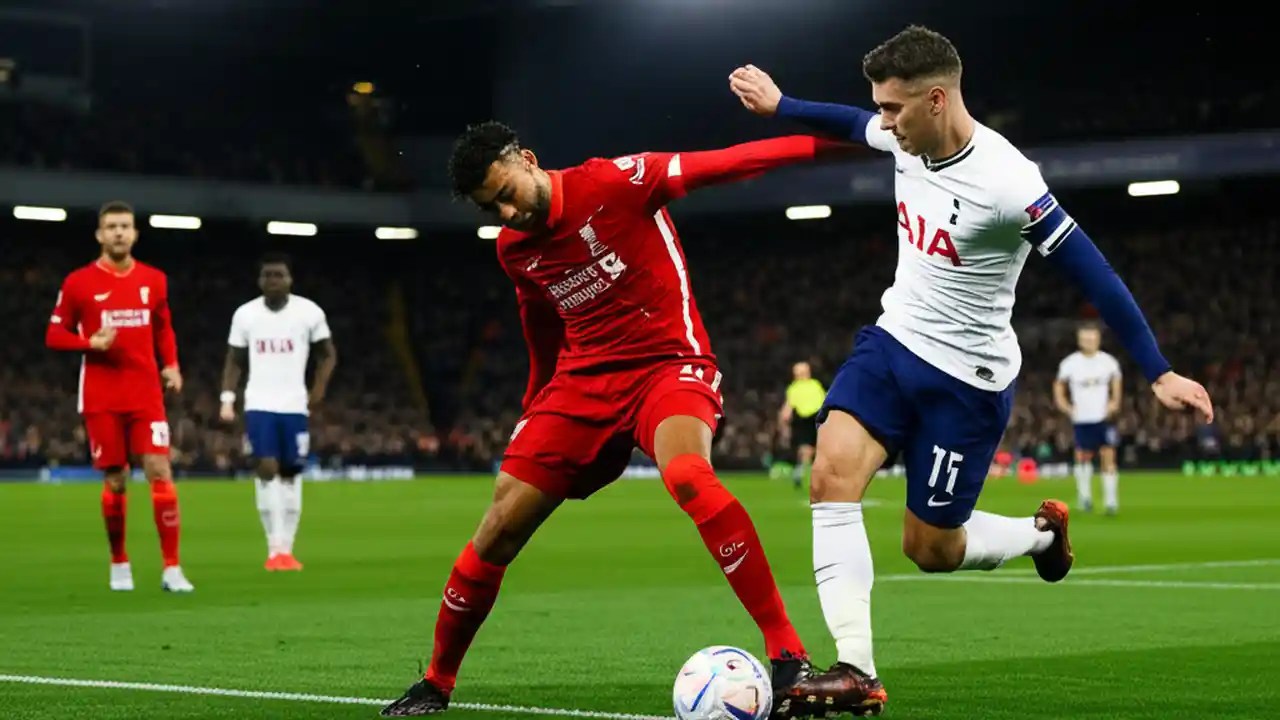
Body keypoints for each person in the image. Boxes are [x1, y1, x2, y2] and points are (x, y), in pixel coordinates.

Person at [729, 25, 1214, 717]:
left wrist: (1157, 370)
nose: (883, 123)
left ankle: (1040, 535)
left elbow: (1094, 271)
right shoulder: (902, 137)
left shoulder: (1009, 182)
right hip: (894, 343)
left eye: (893, 109)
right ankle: (855, 672)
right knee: (829, 477)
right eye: (880, 108)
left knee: (930, 549)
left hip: (968, 381)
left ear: (936, 99)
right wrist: (782, 105)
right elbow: (845, 124)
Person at [381, 121, 854, 716]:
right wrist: (536, 404)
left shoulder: (616, 181)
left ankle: (786, 654)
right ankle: (436, 681)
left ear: (529, 159)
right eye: (490, 207)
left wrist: (858, 140)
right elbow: (541, 326)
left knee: (687, 475)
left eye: (507, 192)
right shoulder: (512, 248)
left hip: (667, 365)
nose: (506, 211)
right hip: (582, 384)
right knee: (499, 524)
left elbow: (734, 160)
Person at [45, 200, 195, 593]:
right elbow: (54, 335)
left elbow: (164, 328)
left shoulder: (154, 280)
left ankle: (172, 568)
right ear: (99, 234)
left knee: (160, 471)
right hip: (102, 395)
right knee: (115, 480)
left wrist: (172, 364)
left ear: (135, 233)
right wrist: (88, 342)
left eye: (125, 226)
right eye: (111, 226)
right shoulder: (78, 283)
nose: (118, 233)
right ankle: (119, 563)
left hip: (146, 394)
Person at [220, 253, 337, 570]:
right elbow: (234, 359)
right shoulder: (246, 315)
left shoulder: (308, 312)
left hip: (294, 405)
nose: (272, 280)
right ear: (259, 281)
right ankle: (274, 548)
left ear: (289, 279)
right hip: (259, 402)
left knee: (291, 473)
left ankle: (287, 548)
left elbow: (327, 355)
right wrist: (227, 398)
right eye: (267, 275)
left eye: (278, 275)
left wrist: (318, 392)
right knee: (267, 468)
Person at [1054, 322, 1122, 514]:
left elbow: (1116, 380)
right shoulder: (1070, 363)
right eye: (1085, 338)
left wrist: (1115, 401)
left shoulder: (1108, 362)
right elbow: (1059, 384)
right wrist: (1064, 404)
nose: (1089, 341)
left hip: (1103, 417)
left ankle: (1111, 501)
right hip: (1081, 418)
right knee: (1082, 458)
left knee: (1108, 456)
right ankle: (1085, 498)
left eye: (1092, 338)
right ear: (1079, 340)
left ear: (1098, 339)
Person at [779, 361, 825, 489]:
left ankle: (802, 471)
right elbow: (788, 407)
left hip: (813, 418)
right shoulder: (796, 387)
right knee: (806, 449)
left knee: (808, 449)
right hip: (807, 419)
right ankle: (804, 473)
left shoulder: (813, 385)